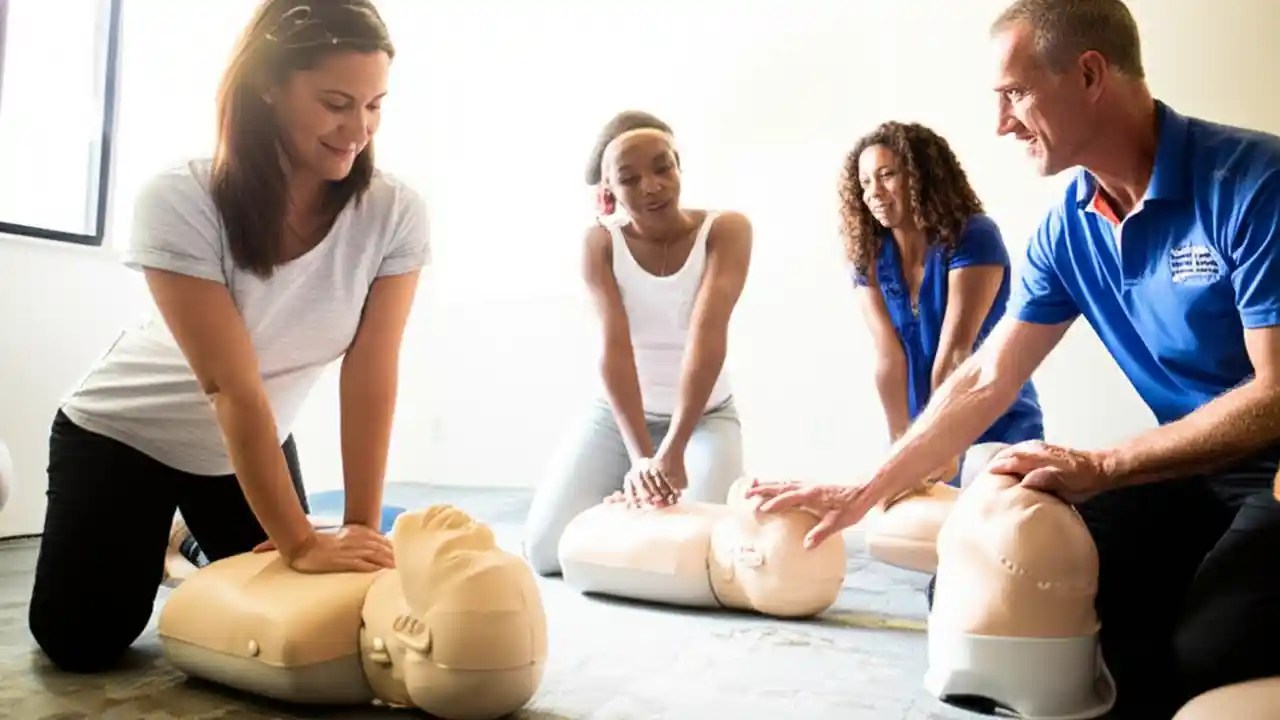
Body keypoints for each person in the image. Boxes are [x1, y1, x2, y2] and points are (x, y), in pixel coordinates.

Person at [749, 0, 1280, 715]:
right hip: (1192, 470)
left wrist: (1105, 465)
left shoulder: (1251, 182)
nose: (1001, 122)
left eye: (1014, 94)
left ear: (1089, 73)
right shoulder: (1068, 227)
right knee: (984, 597)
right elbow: (987, 375)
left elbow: (1275, 394)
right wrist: (864, 491)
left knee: (1206, 652)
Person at [28, 0, 429, 673]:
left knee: (321, 621)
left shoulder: (394, 212)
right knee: (83, 643)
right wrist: (298, 540)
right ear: (268, 86)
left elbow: (371, 370)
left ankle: (187, 544)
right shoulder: (180, 198)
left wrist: (360, 525)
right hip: (125, 435)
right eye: (336, 102)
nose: (358, 129)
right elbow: (229, 385)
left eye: (374, 105)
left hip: (248, 444)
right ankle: (164, 546)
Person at [522, 110, 754, 576]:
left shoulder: (726, 231)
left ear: (679, 168)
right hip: (615, 418)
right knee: (544, 552)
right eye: (630, 179)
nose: (651, 186)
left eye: (662, 168)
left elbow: (707, 338)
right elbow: (615, 352)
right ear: (609, 193)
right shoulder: (599, 245)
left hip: (705, 420)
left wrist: (673, 449)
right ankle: (626, 506)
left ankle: (628, 515)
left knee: (703, 556)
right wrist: (642, 461)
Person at [841, 120, 1043, 487]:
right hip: (923, 437)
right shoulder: (866, 256)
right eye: (865, 181)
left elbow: (954, 356)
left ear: (921, 178)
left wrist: (941, 448)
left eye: (886, 175)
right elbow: (889, 358)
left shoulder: (973, 236)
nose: (873, 193)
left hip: (993, 429)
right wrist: (900, 449)